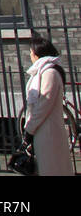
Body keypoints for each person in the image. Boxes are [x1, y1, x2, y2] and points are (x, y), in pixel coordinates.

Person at [23, 39, 72, 176]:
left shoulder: (49, 73)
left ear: (38, 54)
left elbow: (44, 104)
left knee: (52, 169)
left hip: (48, 132)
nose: (31, 56)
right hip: (42, 131)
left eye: (32, 53)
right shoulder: (42, 72)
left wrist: (29, 128)